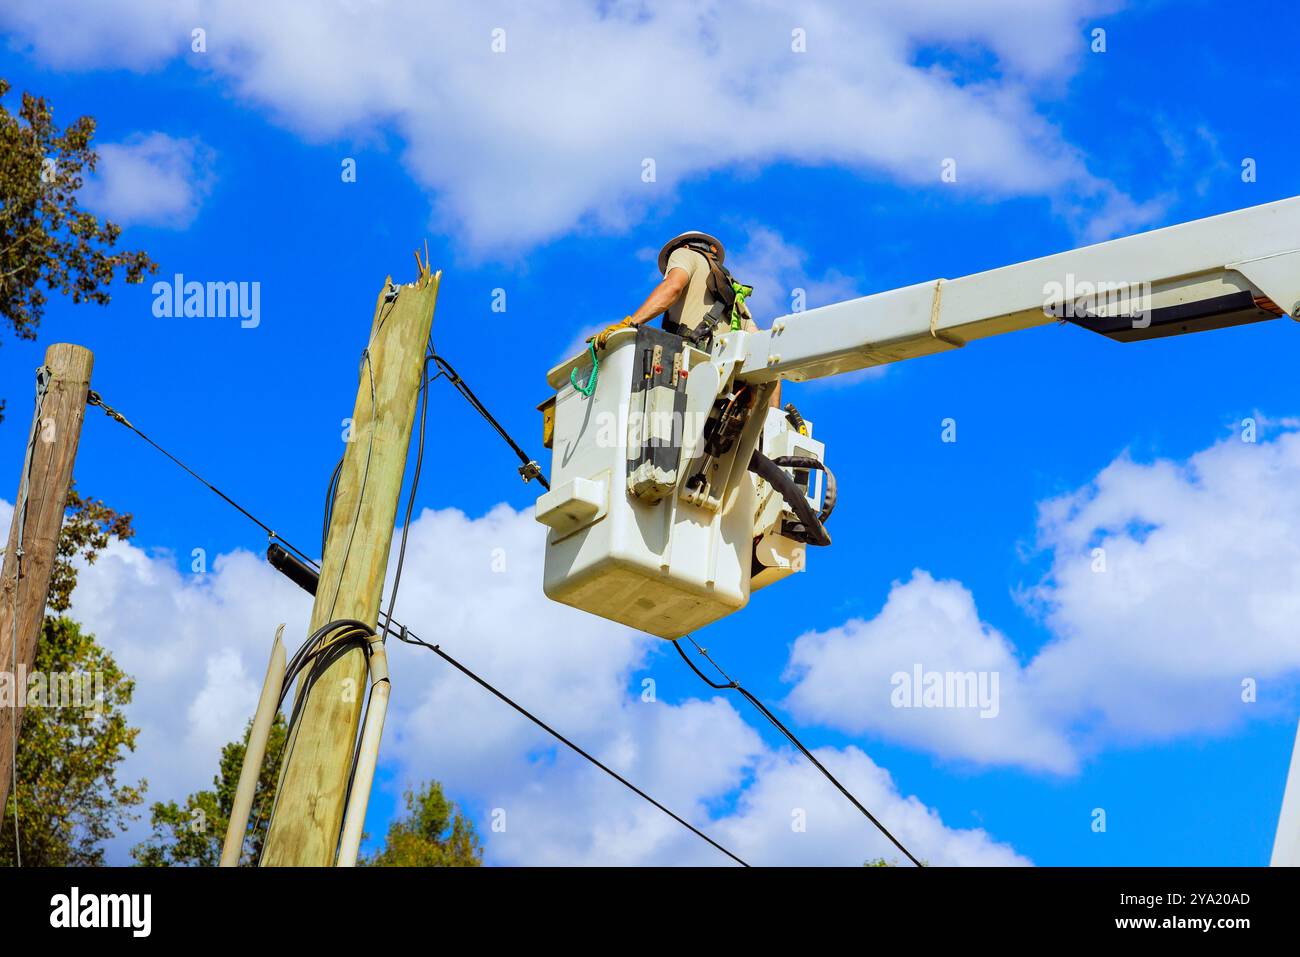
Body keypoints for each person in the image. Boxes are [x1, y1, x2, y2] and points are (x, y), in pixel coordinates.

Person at [591, 231, 780, 406]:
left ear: (686, 247)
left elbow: (672, 287)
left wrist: (629, 323)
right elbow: (765, 349)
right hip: (726, 388)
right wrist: (772, 423)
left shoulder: (684, 254)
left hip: (689, 370)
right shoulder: (734, 293)